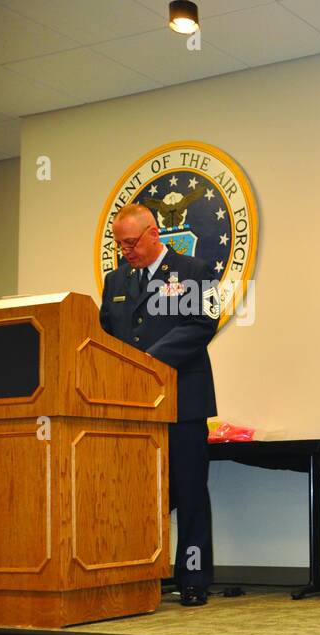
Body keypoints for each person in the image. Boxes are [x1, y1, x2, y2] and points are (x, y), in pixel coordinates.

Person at [100, 204, 220, 607]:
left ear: (154, 234)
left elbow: (202, 324)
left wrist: (146, 361)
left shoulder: (194, 271)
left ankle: (193, 577)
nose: (125, 251)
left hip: (182, 401)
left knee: (189, 492)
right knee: (137, 494)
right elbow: (105, 334)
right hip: (132, 406)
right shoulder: (116, 279)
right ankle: (140, 574)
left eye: (131, 242)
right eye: (120, 244)